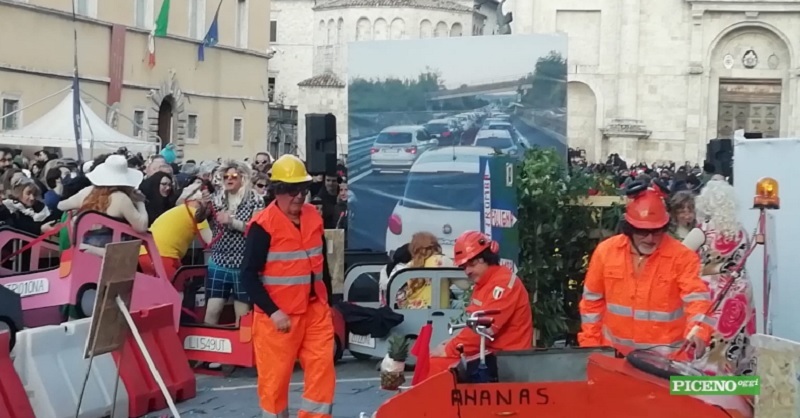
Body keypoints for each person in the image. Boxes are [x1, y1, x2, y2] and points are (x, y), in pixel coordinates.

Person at [241, 154, 334, 418]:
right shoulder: (263, 226)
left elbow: (322, 265)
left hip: (315, 311)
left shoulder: (313, 216)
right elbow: (247, 276)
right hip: (278, 319)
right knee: (274, 384)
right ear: (277, 191)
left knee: (322, 376)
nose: (299, 196)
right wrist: (273, 311)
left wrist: (330, 303)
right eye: (292, 191)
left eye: (302, 190)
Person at [578, 184, 714, 358]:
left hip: (665, 362)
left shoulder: (682, 257)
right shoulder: (606, 252)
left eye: (656, 231)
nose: (650, 238)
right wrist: (591, 347)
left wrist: (698, 332)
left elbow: (697, 300)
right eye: (643, 232)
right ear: (629, 229)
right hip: (615, 357)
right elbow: (591, 303)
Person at [427, 231, 533, 376]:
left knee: (437, 368)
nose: (468, 271)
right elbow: (474, 328)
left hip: (505, 362)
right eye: (464, 267)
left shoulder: (502, 285)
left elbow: (481, 330)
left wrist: (450, 348)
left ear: (487, 257)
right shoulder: (485, 283)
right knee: (435, 363)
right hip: (492, 355)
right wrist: (452, 344)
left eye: (472, 263)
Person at [691, 179, 756, 376]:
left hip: (712, 291)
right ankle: (734, 390)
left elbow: (678, 256)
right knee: (735, 341)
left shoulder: (702, 230)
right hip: (740, 291)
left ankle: (707, 389)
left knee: (711, 341)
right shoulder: (742, 231)